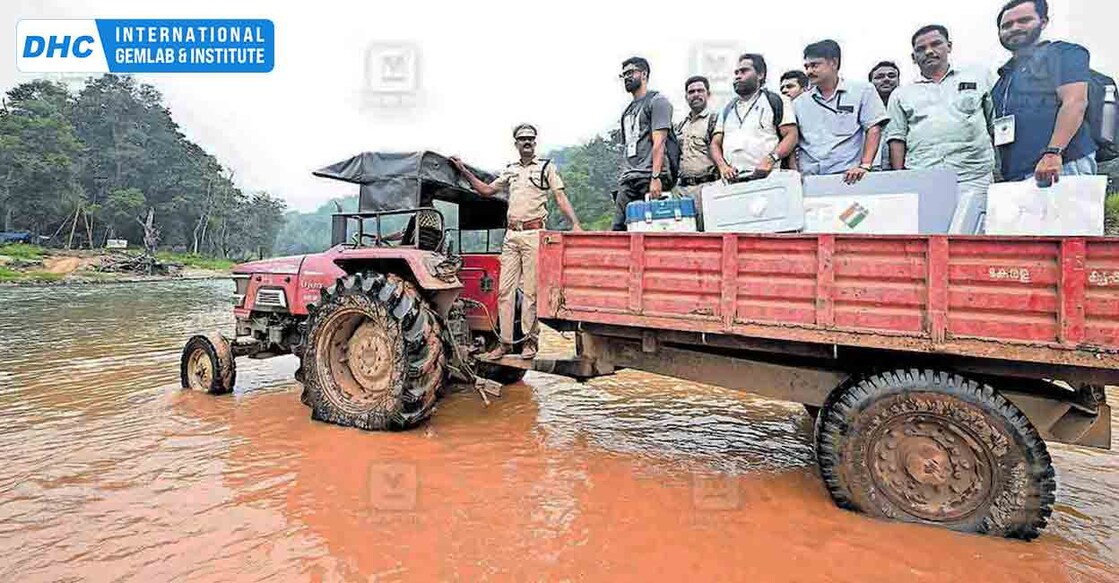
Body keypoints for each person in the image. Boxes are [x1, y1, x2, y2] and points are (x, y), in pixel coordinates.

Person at [451, 124, 583, 360]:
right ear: (516, 144)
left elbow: (560, 196)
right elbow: (487, 191)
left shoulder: (546, 167)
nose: (527, 142)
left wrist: (575, 223)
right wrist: (463, 172)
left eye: (530, 139)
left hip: (534, 234)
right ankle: (504, 343)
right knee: (504, 292)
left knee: (531, 292)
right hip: (511, 235)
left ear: (535, 142)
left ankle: (530, 343)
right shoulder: (511, 170)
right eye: (522, 139)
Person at [886, 25, 997, 234]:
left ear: (949, 46)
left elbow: (996, 126)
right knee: (930, 242)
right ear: (913, 57)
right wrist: (902, 180)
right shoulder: (902, 94)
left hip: (975, 176)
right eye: (921, 49)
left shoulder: (979, 76)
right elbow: (897, 138)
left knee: (976, 242)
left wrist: (1001, 171)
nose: (929, 51)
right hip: (923, 177)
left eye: (935, 44)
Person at [991, 0, 1097, 184]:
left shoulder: (1063, 53)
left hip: (1061, 164)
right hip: (1018, 175)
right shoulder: (1003, 80)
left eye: (1024, 20)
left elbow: (1075, 102)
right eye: (1006, 25)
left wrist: (1053, 153)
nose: (1014, 28)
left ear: (1043, 21)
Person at [794, 40, 889, 184]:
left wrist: (865, 166)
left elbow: (873, 128)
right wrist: (795, 174)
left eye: (815, 65)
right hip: (809, 179)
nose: (809, 72)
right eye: (806, 66)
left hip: (849, 178)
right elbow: (792, 141)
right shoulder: (798, 103)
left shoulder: (862, 90)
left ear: (834, 62)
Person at [710, 53, 799, 182]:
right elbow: (715, 143)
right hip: (733, 181)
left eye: (744, 71)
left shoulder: (776, 100)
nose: (738, 76)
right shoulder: (726, 109)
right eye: (736, 73)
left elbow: (791, 135)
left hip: (767, 178)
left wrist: (770, 159)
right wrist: (723, 167)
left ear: (760, 74)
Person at [615, 56, 674, 231]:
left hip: (649, 176)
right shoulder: (627, 111)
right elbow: (629, 147)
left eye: (630, 73)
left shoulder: (657, 101)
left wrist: (656, 178)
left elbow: (659, 142)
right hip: (630, 178)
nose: (626, 77)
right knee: (618, 229)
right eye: (623, 74)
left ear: (644, 74)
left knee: (651, 230)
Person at [674, 75, 719, 226]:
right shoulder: (681, 125)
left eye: (700, 90)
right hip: (682, 190)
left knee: (708, 235)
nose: (696, 94)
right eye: (691, 92)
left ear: (708, 94)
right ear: (686, 96)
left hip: (707, 187)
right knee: (684, 235)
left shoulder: (715, 120)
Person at [868, 61, 901, 169]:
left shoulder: (909, 107)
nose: (886, 79)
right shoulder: (861, 110)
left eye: (891, 76)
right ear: (870, 83)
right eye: (879, 77)